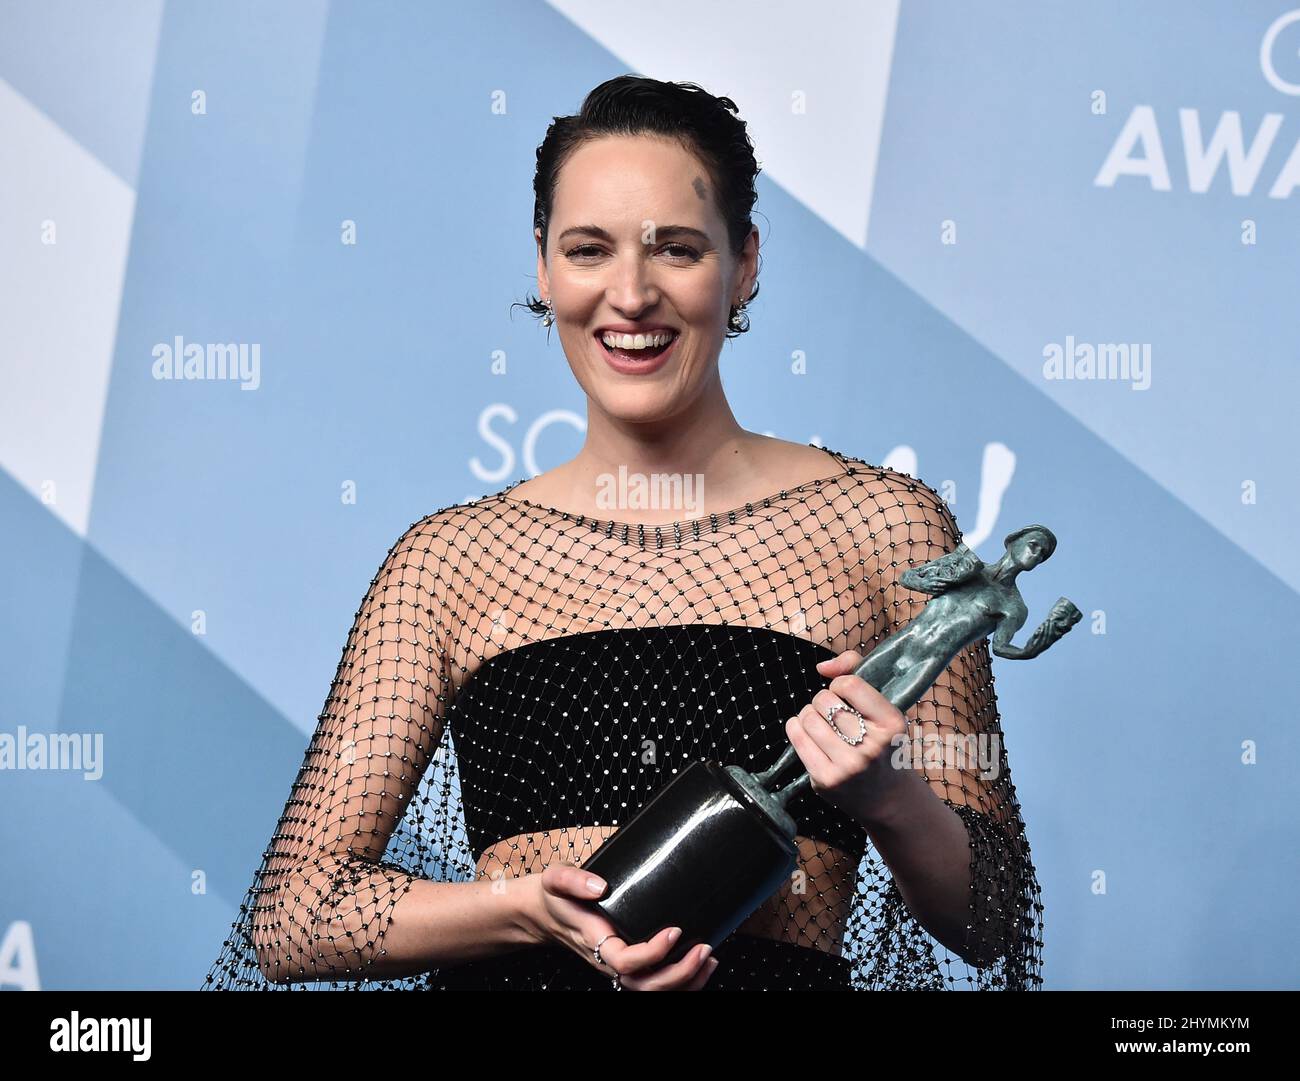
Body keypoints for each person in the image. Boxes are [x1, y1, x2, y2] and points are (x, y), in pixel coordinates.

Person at [203, 75, 1043, 992]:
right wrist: (524, 909)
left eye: (677, 249)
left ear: (745, 262)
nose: (631, 294)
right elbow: (294, 918)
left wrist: (887, 793)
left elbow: (991, 919)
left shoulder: (883, 525)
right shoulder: (447, 562)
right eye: (588, 249)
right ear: (543, 267)